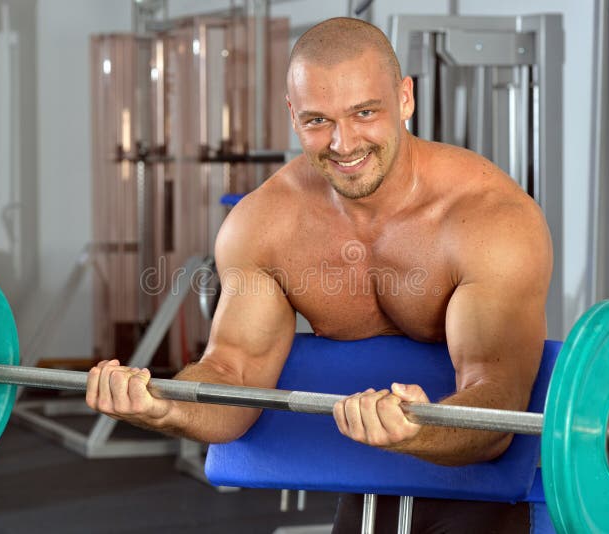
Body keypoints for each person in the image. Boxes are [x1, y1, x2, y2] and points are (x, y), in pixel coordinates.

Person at [86, 17, 552, 533]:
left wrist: (416, 429)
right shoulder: (264, 224)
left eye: (364, 113)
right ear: (292, 114)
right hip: (369, 482)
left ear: (404, 99)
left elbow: (495, 410)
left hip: (500, 498)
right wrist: (164, 405)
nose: (343, 143)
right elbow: (234, 378)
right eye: (317, 121)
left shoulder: (489, 220)